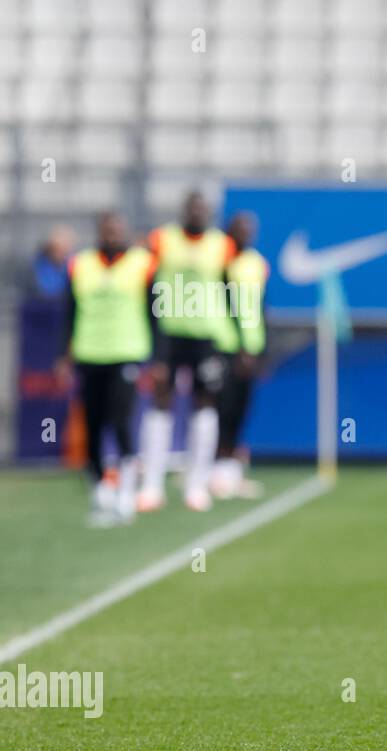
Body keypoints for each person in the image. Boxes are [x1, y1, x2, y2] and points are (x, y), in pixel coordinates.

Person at [138, 191, 237, 513]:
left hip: (205, 335)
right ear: (184, 210)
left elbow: (229, 290)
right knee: (161, 399)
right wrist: (151, 334)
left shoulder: (222, 245)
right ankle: (152, 485)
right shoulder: (162, 240)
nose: (197, 213)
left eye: (202, 208)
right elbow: (148, 285)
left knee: (204, 403)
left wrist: (229, 337)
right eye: (192, 207)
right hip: (170, 332)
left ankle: (197, 484)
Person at [55, 212, 155, 526]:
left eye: (117, 229)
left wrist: (157, 356)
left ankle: (126, 488)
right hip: (90, 354)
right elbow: (70, 312)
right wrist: (65, 353)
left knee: (120, 419)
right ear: (99, 232)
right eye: (107, 229)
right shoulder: (81, 264)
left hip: (126, 353)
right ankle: (101, 487)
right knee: (93, 422)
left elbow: (155, 312)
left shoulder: (142, 263)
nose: (112, 235)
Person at [212, 212, 269, 499]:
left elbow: (260, 306)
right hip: (225, 345)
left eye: (249, 229)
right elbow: (223, 302)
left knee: (242, 409)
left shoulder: (257, 263)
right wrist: (239, 345)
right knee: (223, 407)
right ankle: (216, 470)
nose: (245, 233)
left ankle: (232, 472)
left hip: (251, 346)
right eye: (240, 228)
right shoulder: (220, 260)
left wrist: (261, 349)